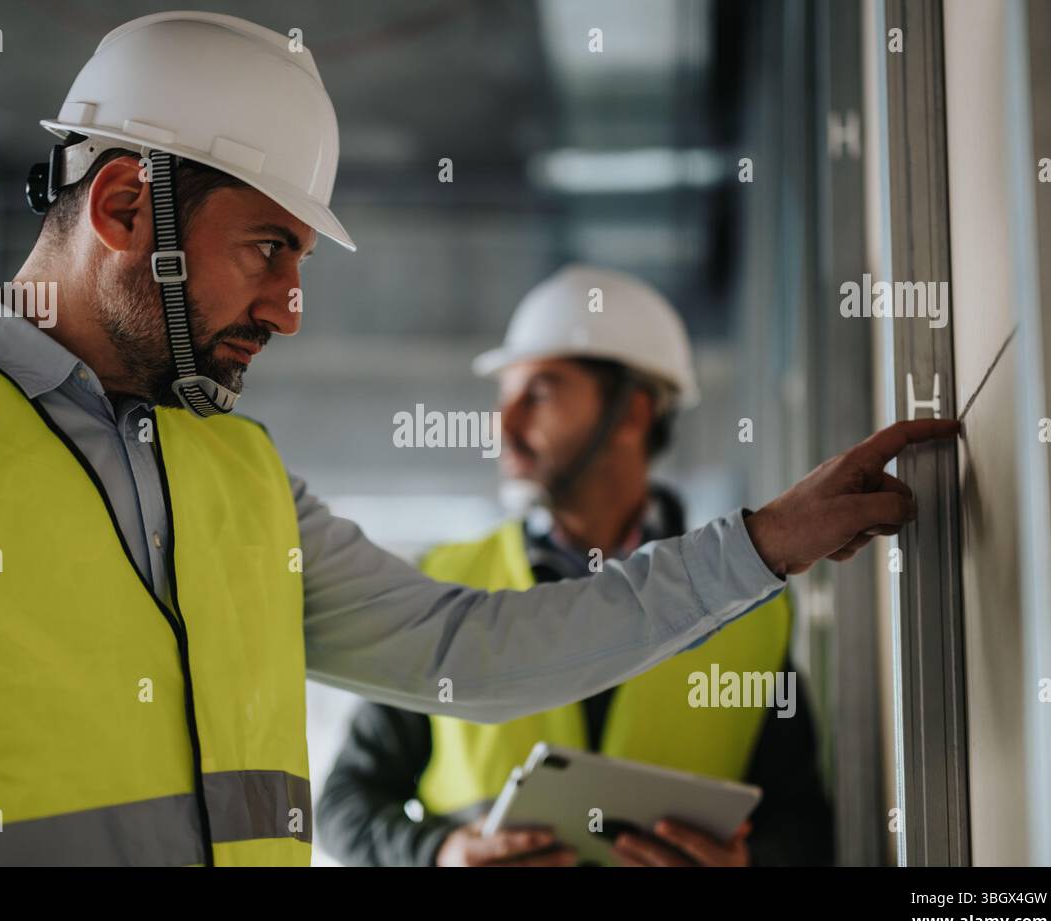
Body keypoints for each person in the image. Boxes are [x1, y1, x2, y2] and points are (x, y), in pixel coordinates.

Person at [0, 13, 955, 866]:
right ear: (118, 209)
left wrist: (762, 542)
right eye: (267, 248)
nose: (292, 307)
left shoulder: (234, 478)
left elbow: (476, 652)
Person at [318, 266, 834, 867]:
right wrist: (440, 853)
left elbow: (805, 825)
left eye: (539, 393)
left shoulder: (748, 608)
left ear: (633, 413)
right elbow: (343, 803)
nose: (504, 426)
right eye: (504, 398)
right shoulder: (444, 582)